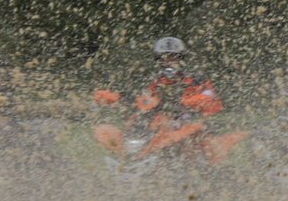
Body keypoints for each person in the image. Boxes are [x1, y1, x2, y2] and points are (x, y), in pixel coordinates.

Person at [92, 36, 239, 163]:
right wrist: (117, 98)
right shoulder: (156, 83)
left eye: (173, 57)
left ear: (181, 59)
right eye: (164, 58)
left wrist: (187, 102)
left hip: (189, 121)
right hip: (162, 123)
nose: (169, 62)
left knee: (190, 132)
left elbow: (212, 100)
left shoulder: (196, 80)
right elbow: (145, 101)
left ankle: (196, 165)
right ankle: (133, 156)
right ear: (159, 61)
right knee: (137, 121)